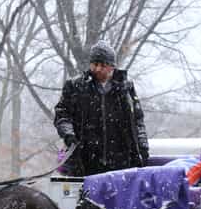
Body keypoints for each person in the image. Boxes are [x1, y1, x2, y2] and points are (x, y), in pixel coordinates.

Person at [54, 40, 149, 176]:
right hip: (84, 161)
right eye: (95, 64)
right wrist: (69, 134)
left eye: (103, 65)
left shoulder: (125, 88)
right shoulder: (75, 87)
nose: (98, 69)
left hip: (121, 162)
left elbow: (138, 121)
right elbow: (62, 115)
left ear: (112, 67)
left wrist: (143, 146)